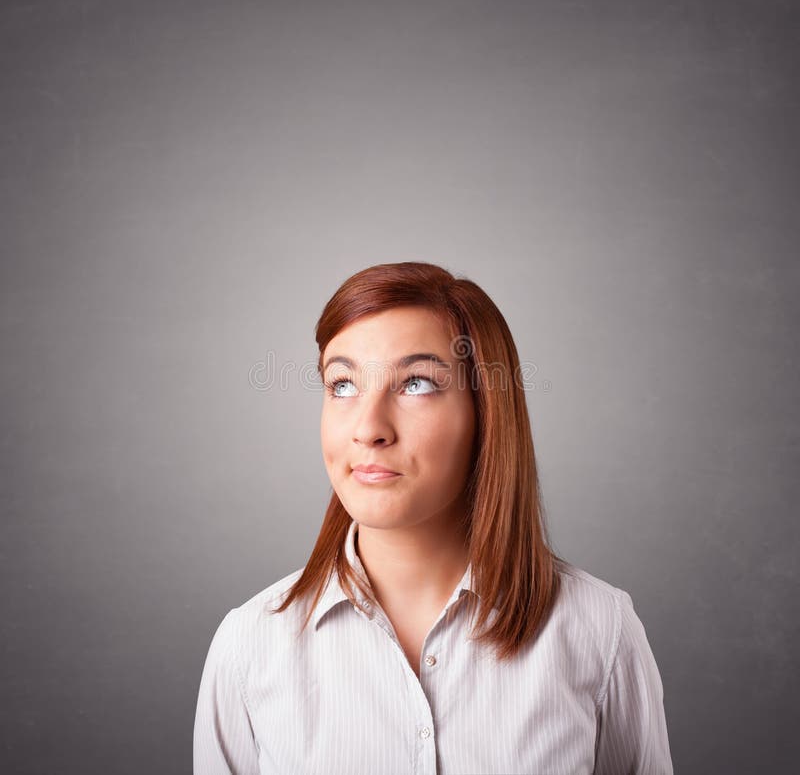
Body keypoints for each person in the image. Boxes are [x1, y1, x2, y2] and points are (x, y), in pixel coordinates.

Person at [193, 261, 673, 775]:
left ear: (486, 413)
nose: (369, 428)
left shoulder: (600, 631)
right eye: (342, 384)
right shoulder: (249, 645)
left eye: (416, 383)